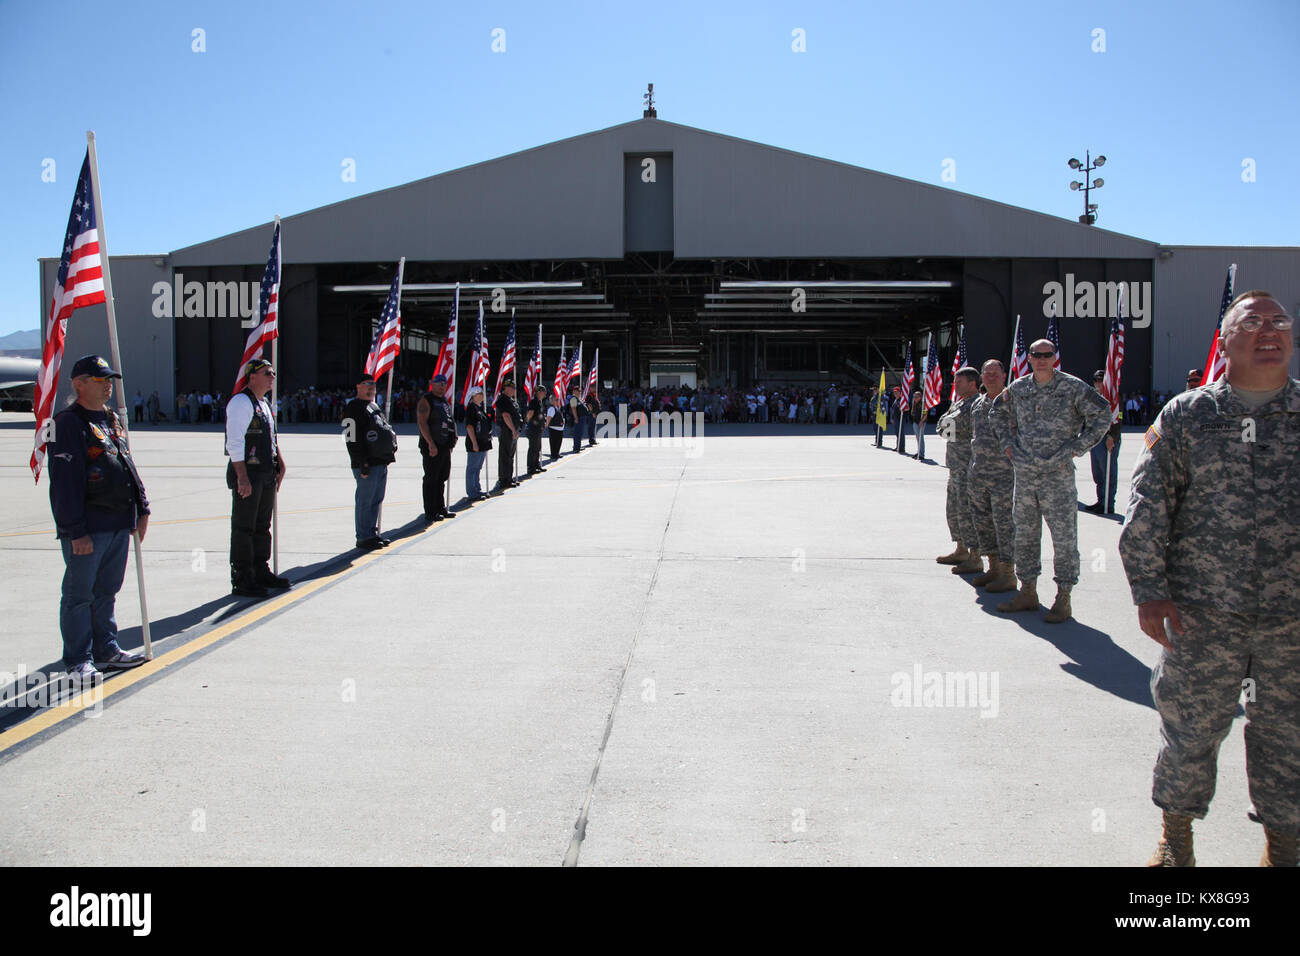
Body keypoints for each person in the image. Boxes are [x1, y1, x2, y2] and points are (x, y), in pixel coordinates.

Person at [1120, 291, 1298, 868]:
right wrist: (1149, 590)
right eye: (1254, 321)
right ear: (1228, 339)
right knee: (1191, 729)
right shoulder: (1189, 414)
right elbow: (1148, 506)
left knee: (1288, 735)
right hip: (1203, 612)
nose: (1269, 330)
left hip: (1292, 620)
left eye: (1280, 321)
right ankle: (1177, 839)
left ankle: (1285, 845)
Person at [989, 339, 1110, 623]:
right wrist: (1008, 445)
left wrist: (1076, 448)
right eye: (1037, 355)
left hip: (1058, 477)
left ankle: (1063, 597)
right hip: (1027, 475)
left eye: (1048, 354)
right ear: (1029, 358)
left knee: (1064, 539)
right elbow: (997, 411)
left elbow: (1103, 414)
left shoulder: (1072, 387)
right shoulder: (1019, 388)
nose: (1042, 359)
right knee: (1026, 536)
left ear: (1055, 357)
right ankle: (1028, 591)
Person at [48, 356, 150, 679]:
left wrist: (141, 505)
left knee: (107, 590)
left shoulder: (109, 419)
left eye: (109, 379)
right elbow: (64, 483)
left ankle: (105, 649)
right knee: (80, 595)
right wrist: (74, 530)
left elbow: (127, 463)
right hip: (88, 528)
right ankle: (78, 659)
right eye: (99, 379)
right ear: (79, 384)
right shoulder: (67, 423)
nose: (108, 385)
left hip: (118, 523)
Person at [225, 358, 289, 597]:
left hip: (265, 472)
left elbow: (271, 438)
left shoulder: (263, 404)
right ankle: (242, 577)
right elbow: (234, 442)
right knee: (244, 527)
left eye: (273, 372)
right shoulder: (241, 402)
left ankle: (260, 569)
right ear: (252, 376)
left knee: (262, 525)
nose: (272, 376)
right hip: (249, 474)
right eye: (267, 372)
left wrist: (280, 463)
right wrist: (242, 477)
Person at [966, 360, 1017, 591]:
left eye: (995, 374)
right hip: (978, 474)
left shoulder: (1012, 402)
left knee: (1004, 524)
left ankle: (1008, 573)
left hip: (1003, 476)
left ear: (1004, 375)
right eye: (986, 373)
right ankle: (993, 567)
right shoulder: (978, 404)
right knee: (983, 523)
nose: (990, 377)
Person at [341, 373, 397, 550]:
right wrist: (360, 461)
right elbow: (350, 438)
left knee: (375, 500)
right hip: (366, 463)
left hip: (380, 461)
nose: (371, 386)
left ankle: (372, 533)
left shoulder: (373, 406)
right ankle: (363, 537)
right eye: (367, 384)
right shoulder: (353, 407)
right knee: (365, 501)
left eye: (373, 384)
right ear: (358, 386)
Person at [935, 368, 982, 575]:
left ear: (972, 383)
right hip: (955, 468)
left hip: (968, 468)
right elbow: (941, 426)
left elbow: (947, 426)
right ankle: (961, 549)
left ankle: (975, 556)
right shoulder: (959, 403)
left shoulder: (976, 405)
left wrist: (949, 427)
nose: (956, 385)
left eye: (960, 381)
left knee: (968, 512)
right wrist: (949, 427)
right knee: (954, 511)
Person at [416, 375, 457, 523]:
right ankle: (430, 511)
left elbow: (449, 421)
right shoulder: (427, 400)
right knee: (431, 479)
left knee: (442, 478)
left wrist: (453, 438)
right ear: (431, 384)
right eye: (439, 383)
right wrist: (430, 443)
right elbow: (422, 422)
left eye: (444, 384)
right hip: (433, 445)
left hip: (445, 445)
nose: (442, 386)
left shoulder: (444, 401)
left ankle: (440, 508)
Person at [1085, 370, 1122, 515]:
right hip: (1095, 439)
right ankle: (1101, 500)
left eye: (1101, 380)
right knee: (1098, 473)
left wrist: (1113, 436)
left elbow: (1119, 416)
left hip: (1108, 439)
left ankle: (1108, 503)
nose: (1099, 383)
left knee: (1109, 472)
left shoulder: (1113, 397)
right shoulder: (1092, 397)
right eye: (1096, 381)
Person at [463, 387, 492, 503]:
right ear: (474, 395)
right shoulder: (471, 409)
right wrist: (474, 443)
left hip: (483, 443)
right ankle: (472, 492)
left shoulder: (479, 408)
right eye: (480, 393)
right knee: (472, 468)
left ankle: (477, 489)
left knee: (478, 468)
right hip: (476, 443)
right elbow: (469, 426)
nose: (482, 395)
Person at [493, 380, 521, 494]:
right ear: (505, 388)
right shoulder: (503, 400)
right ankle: (504, 479)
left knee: (510, 455)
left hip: (512, 431)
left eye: (514, 387)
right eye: (512, 387)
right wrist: (513, 430)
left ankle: (509, 477)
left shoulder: (511, 400)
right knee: (505, 455)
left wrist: (517, 429)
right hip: (506, 431)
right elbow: (506, 415)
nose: (514, 389)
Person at [524, 387, 546, 475]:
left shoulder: (539, 402)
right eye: (544, 392)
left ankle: (536, 465)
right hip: (533, 429)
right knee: (533, 448)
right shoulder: (534, 401)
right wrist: (528, 422)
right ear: (539, 392)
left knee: (537, 448)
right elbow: (530, 413)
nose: (545, 394)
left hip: (538, 429)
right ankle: (531, 468)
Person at [567, 384, 585, 454]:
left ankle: (578, 446)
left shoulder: (578, 399)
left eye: (580, 391)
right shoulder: (573, 398)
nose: (580, 392)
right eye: (578, 391)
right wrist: (576, 418)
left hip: (581, 418)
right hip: (578, 418)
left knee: (579, 433)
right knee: (577, 433)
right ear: (574, 391)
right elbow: (573, 408)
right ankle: (576, 448)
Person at [911, 390, 926, 460]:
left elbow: (925, 414)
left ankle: (921, 454)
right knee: (917, 438)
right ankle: (918, 452)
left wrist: (921, 421)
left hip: (921, 423)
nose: (915, 398)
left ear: (920, 397)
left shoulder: (923, 404)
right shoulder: (914, 403)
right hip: (915, 422)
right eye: (914, 396)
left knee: (921, 438)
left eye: (916, 396)